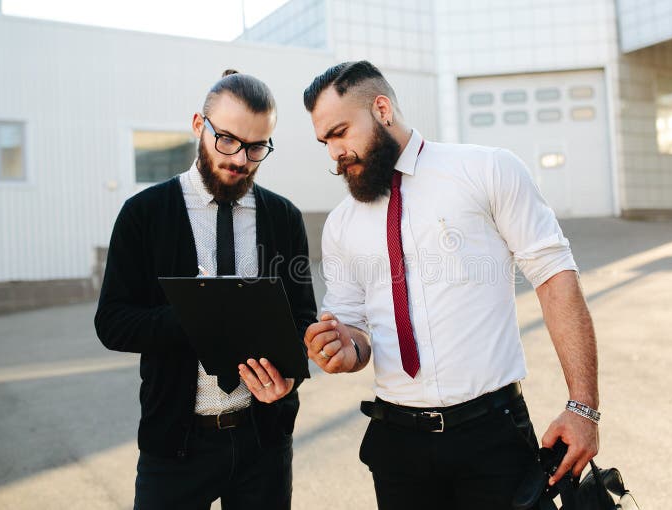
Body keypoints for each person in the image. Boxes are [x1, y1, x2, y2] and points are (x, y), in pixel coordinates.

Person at [302, 61, 599, 509]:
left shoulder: (486, 170)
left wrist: (583, 407)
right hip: (398, 449)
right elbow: (357, 332)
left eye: (341, 132)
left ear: (382, 109)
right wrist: (345, 350)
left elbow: (554, 278)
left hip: (492, 437)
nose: (333, 152)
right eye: (325, 140)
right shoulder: (341, 224)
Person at [95, 70, 316, 509]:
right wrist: (198, 314)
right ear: (199, 125)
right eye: (228, 140)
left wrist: (287, 381)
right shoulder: (144, 214)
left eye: (256, 147)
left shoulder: (283, 217)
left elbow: (302, 317)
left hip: (264, 442)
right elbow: (113, 323)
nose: (239, 159)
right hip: (176, 446)